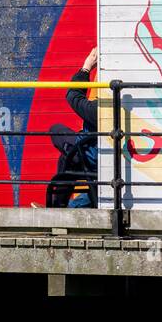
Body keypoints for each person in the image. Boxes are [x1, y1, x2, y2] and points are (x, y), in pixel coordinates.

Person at [46, 47, 100, 208]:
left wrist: (86, 67)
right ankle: (65, 207)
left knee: (56, 130)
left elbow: (73, 95)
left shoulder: (99, 110)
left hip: (94, 155)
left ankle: (59, 206)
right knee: (69, 158)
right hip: (111, 161)